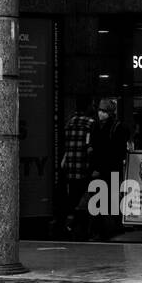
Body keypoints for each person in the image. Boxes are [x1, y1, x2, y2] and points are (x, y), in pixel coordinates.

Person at [89, 98, 130, 240]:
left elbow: (114, 152)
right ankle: (106, 230)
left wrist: (98, 167)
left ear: (110, 113)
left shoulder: (116, 127)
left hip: (108, 170)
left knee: (106, 201)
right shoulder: (97, 126)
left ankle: (108, 230)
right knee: (101, 201)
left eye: (104, 111)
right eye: (100, 110)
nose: (101, 113)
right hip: (106, 170)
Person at [57, 98, 95, 240]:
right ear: (88, 107)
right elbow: (90, 148)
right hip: (84, 169)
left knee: (72, 198)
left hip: (70, 169)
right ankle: (79, 227)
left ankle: (69, 226)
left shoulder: (69, 123)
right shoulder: (90, 124)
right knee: (84, 201)